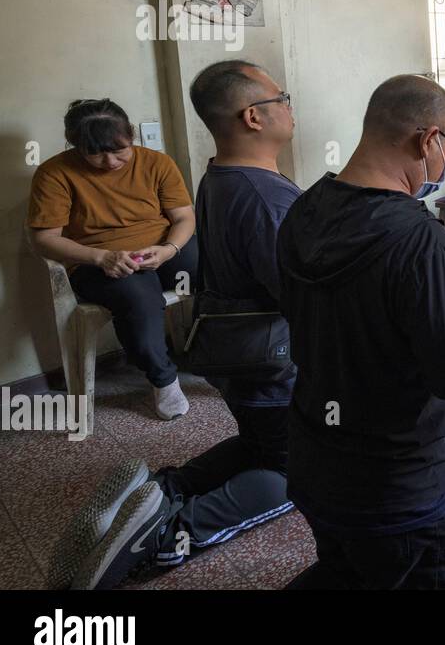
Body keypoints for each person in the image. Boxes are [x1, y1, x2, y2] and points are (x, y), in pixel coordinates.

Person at [58, 62, 303, 590]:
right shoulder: (264, 196)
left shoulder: (222, 174)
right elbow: (300, 295)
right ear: (254, 116)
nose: (290, 104)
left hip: (240, 355)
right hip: (273, 359)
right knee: (296, 475)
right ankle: (163, 536)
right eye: (283, 96)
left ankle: (157, 491)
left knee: (264, 447)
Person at [279, 74, 445, 589]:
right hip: (400, 488)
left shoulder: (302, 208)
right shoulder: (423, 242)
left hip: (316, 458)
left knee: (349, 569)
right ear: (428, 141)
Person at [28, 99, 196, 421]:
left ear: (130, 135)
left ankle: (220, 351)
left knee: (219, 266)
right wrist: (101, 257)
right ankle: (163, 378)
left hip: (162, 247)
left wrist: (169, 250)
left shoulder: (156, 163)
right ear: (75, 144)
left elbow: (184, 217)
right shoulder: (54, 174)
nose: (110, 161)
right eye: (95, 153)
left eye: (119, 150)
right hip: (98, 259)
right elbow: (44, 239)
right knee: (138, 297)